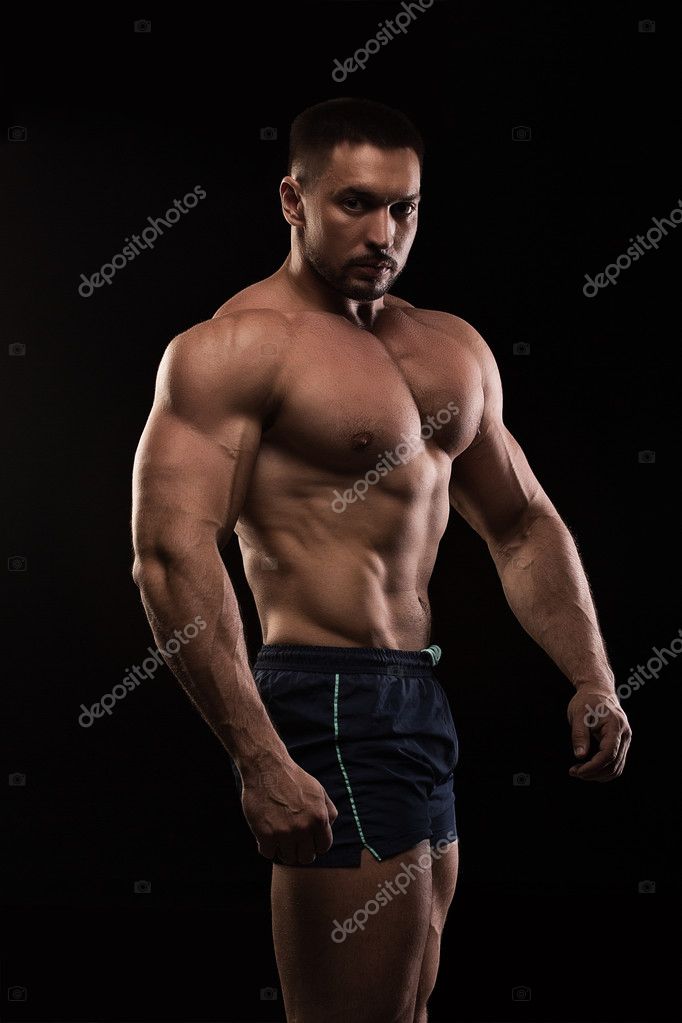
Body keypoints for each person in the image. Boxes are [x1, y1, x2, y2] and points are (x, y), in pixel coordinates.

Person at [131, 97, 632, 1023]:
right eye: (357, 203)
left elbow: (521, 521)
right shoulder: (238, 348)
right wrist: (258, 756)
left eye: (403, 208)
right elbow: (168, 554)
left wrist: (593, 677)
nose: (384, 232)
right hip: (322, 697)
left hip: (416, 692)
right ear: (294, 199)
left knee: (410, 996)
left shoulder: (449, 348)